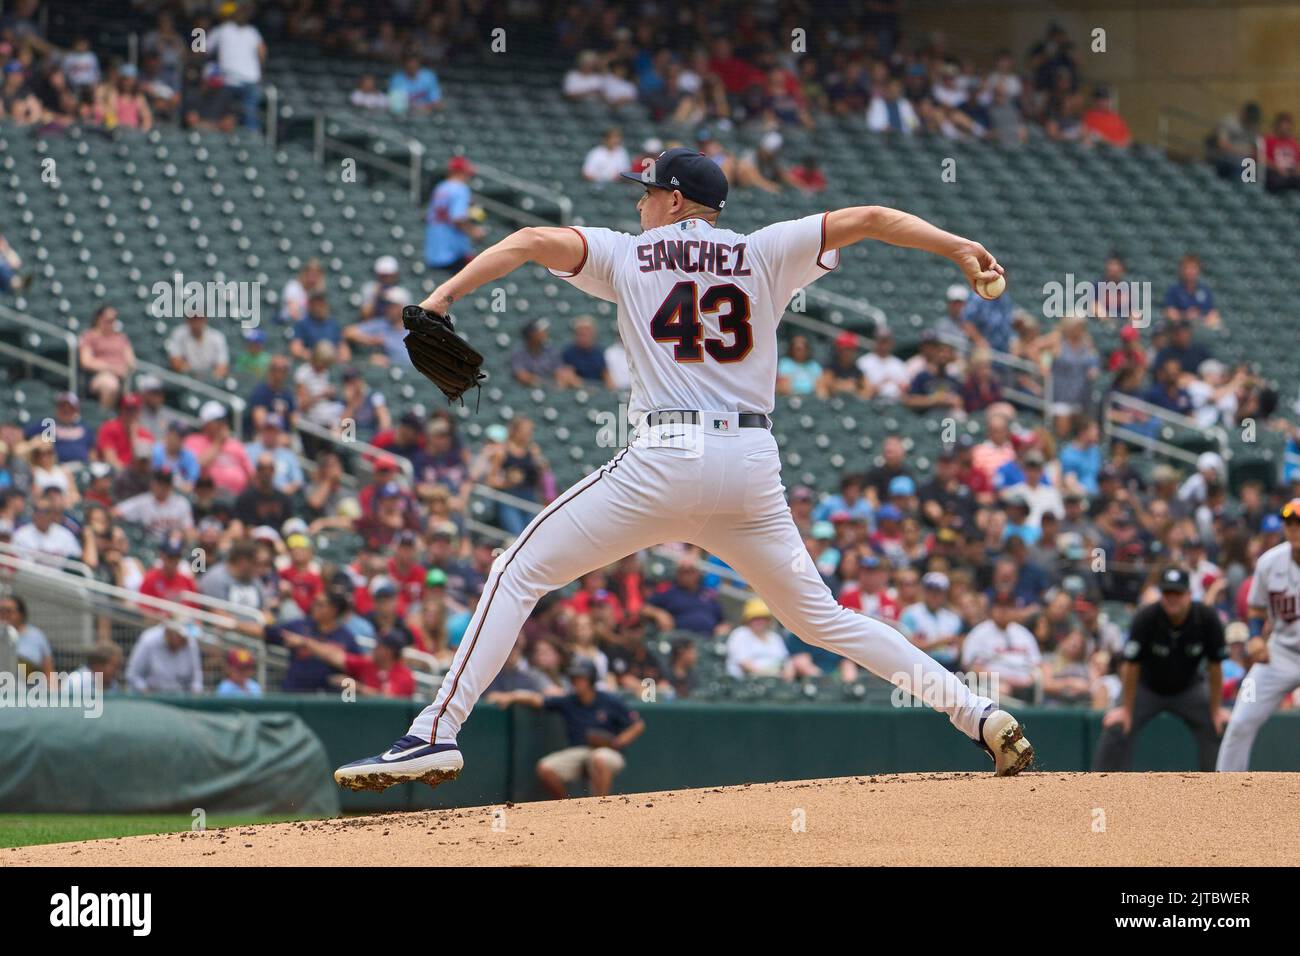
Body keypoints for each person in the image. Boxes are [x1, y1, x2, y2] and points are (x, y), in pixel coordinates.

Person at [334, 144, 1032, 792]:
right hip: (752, 465)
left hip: (667, 460)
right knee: (825, 620)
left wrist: (441, 300)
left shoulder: (626, 255)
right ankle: (974, 713)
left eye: (646, 192)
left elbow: (524, 242)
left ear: (673, 200)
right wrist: (958, 246)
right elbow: (873, 217)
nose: (637, 204)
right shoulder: (765, 249)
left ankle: (434, 731)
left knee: (517, 571)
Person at [1092, 567, 1228, 771]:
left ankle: (1223, 788)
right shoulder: (1147, 616)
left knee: (1220, 726)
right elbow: (1132, 664)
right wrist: (1126, 709)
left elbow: (1215, 666)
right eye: (1167, 593)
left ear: (1190, 595)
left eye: (1178, 594)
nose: (1172, 599)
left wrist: (1216, 709)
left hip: (1190, 688)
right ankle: (1098, 787)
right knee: (1117, 724)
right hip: (1147, 688)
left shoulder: (1206, 618)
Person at [1216, 499, 1300, 771]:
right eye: (1290, 522)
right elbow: (1255, 607)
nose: (1295, 528)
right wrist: (1254, 636)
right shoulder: (1268, 562)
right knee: (1240, 720)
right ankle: (1223, 796)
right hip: (1281, 655)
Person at [496, 660, 645, 798]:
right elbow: (537, 700)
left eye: (580, 677)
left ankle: (602, 805)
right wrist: (512, 696)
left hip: (608, 751)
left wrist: (617, 742)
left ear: (591, 679)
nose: (576, 681)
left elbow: (638, 724)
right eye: (574, 678)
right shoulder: (569, 700)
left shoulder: (609, 700)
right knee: (546, 768)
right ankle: (568, 805)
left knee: (599, 758)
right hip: (579, 750)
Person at [425, 156, 484, 273]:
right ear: (458, 172)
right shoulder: (460, 188)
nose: (468, 176)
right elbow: (457, 219)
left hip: (435, 249)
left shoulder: (440, 188)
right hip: (453, 252)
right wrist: (474, 231)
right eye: (466, 173)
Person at [125, 621, 204, 694]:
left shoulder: (190, 642)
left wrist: (196, 693)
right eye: (182, 637)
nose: (185, 640)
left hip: (181, 697)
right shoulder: (148, 640)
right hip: (150, 699)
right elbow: (133, 675)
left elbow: (196, 678)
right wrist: (146, 692)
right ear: (170, 632)